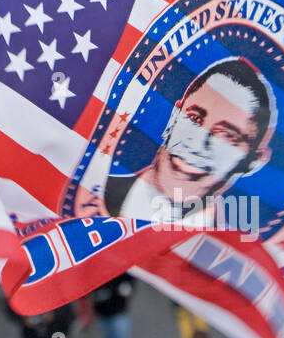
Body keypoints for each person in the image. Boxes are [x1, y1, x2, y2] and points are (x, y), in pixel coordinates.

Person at [103, 59, 275, 226]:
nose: (197, 143)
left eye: (226, 135)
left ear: (252, 163)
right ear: (173, 119)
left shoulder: (235, 247)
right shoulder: (92, 191)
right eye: (194, 118)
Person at [93, 274, 135, 338]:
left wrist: (128, 286)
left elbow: (130, 278)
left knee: (121, 334)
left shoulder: (119, 266)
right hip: (102, 309)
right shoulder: (96, 267)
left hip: (119, 308)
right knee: (107, 333)